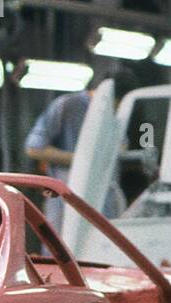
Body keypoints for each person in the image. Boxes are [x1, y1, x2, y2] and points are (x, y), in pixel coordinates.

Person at [23, 70, 138, 228]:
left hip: (104, 198)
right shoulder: (67, 105)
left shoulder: (116, 114)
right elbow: (34, 148)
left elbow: (121, 145)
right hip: (66, 198)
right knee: (61, 248)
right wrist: (83, 159)